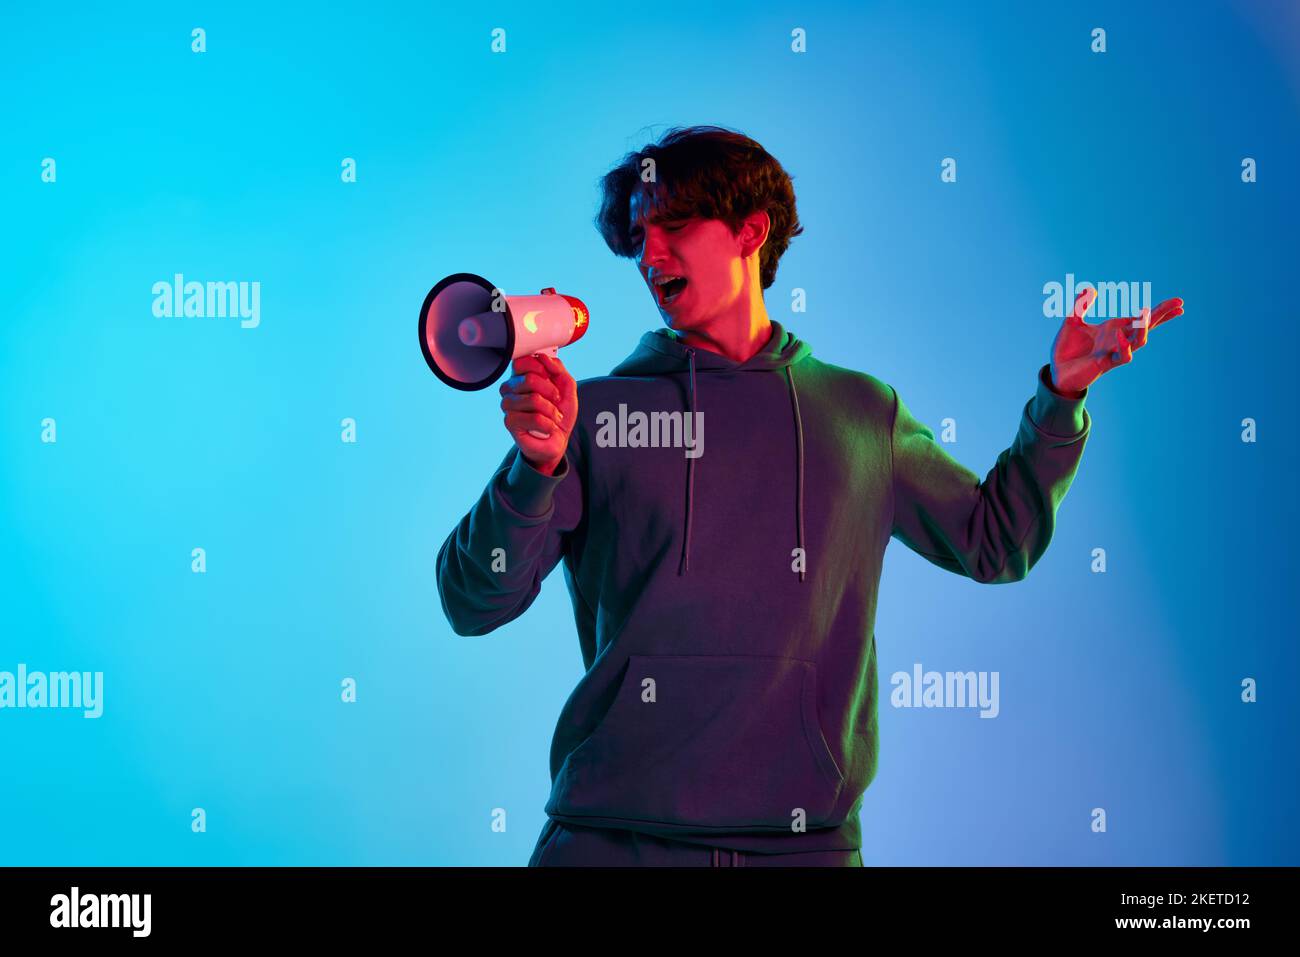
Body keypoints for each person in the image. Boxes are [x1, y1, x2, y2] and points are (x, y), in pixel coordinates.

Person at [436, 125, 1184, 867]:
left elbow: (998, 541)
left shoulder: (861, 415)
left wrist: (1062, 396)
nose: (649, 253)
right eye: (639, 235)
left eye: (674, 225)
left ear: (749, 231)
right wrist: (534, 468)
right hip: (608, 841)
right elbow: (474, 601)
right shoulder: (591, 415)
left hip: (805, 851)